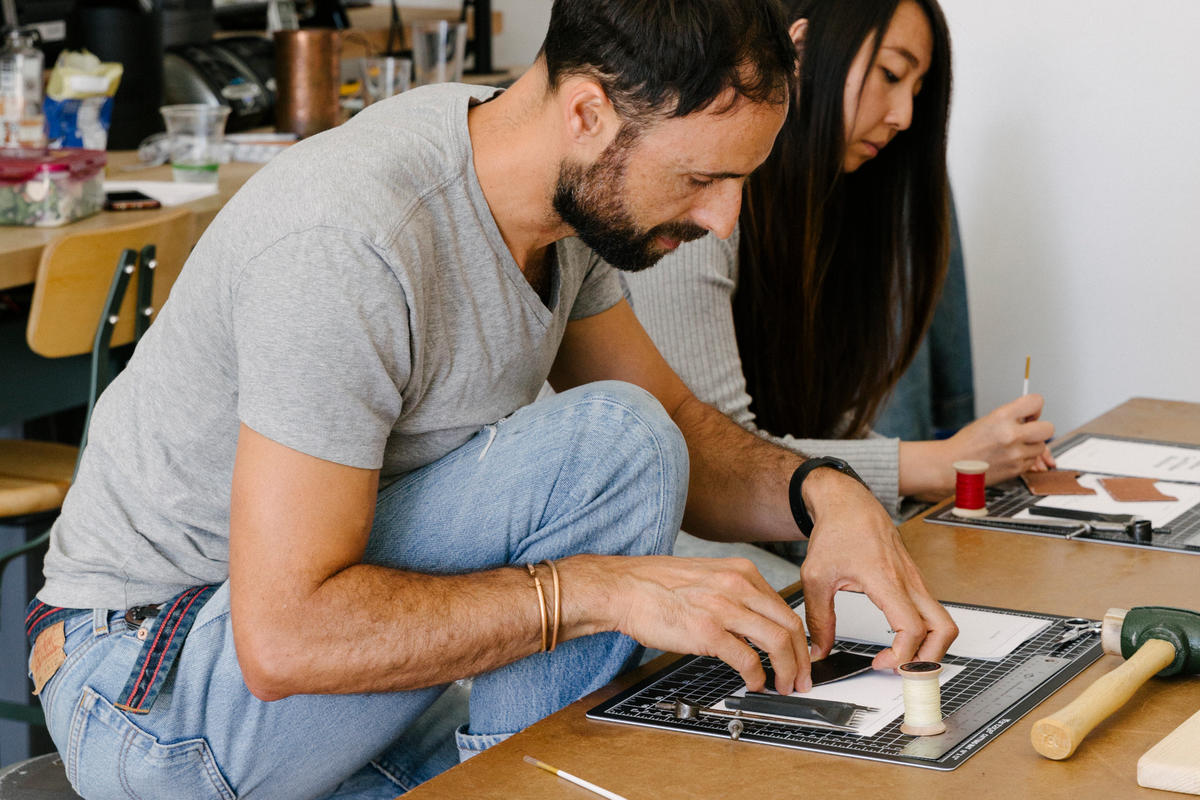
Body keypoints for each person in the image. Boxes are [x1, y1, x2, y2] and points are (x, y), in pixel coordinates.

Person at [26, 2, 956, 797]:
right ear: (591, 112)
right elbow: (285, 639)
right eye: (702, 177)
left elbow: (675, 420)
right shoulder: (349, 241)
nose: (725, 219)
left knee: (638, 469)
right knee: (611, 447)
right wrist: (599, 593)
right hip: (153, 688)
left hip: (281, 675)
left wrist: (825, 495)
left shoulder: (561, 201)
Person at [624, 0, 1055, 529]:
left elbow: (822, 421)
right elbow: (717, 461)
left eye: (916, 92)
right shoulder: (705, 198)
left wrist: (969, 461)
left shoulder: (842, 200)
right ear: (799, 48)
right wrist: (942, 462)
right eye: (890, 74)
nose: (903, 116)